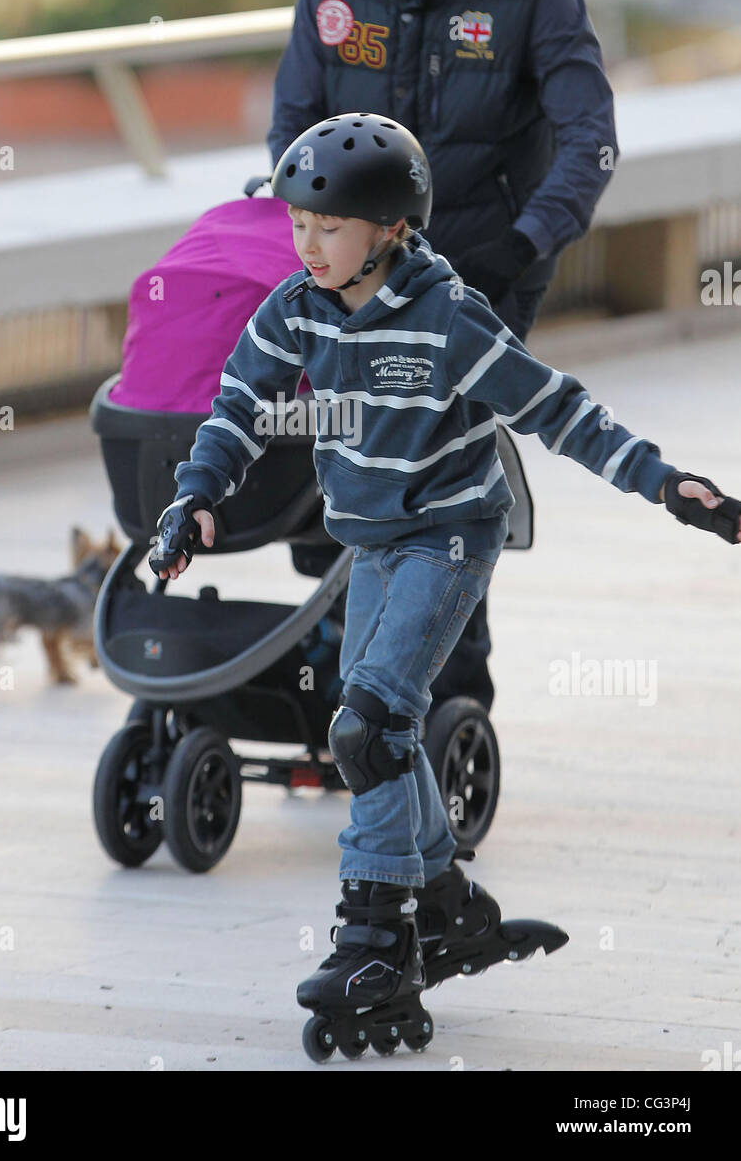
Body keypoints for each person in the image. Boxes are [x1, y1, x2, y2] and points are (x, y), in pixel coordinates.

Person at [149, 114, 740, 1060]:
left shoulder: (446, 317)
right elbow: (238, 404)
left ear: (389, 230)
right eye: (299, 222)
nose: (306, 243)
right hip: (372, 542)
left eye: (328, 227)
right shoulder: (297, 303)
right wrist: (197, 499)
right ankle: (453, 904)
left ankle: (376, 938)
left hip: (452, 536)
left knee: (368, 724)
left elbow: (558, 409)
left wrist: (664, 481)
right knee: (375, 725)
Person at [267, 0, 619, 707]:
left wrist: (520, 244)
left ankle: (450, 687)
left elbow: (590, 141)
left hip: (480, 267)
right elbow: (294, 126)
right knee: (345, 454)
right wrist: (316, 231)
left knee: (440, 469)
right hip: (353, 275)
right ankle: (355, 662)